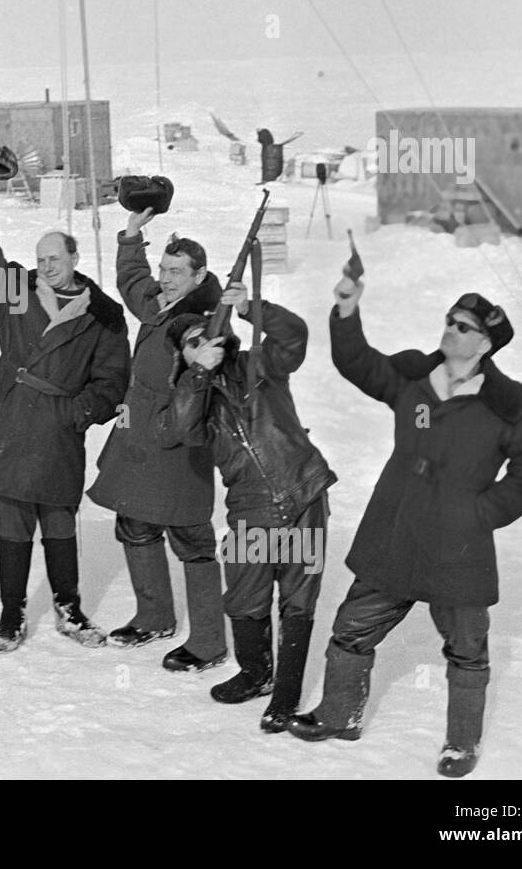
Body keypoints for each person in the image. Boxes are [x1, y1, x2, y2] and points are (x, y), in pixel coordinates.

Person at [289, 284, 522, 777]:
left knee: (467, 648)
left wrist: (478, 513)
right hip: (396, 532)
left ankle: (460, 745)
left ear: (485, 344)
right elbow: (359, 363)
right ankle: (338, 714)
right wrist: (346, 311)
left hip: (458, 547)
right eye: (449, 320)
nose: (450, 330)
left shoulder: (504, 402)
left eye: (463, 327)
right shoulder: (414, 377)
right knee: (351, 627)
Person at [0, 177, 130, 651]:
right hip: (10, 421)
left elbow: (111, 383)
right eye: (40, 258)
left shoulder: (103, 316)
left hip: (59, 430)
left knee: (60, 521)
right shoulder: (18, 291)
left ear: (75, 260)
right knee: (12, 522)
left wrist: (77, 412)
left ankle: (69, 609)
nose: (45, 267)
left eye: (55, 259)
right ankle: (12, 613)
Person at [157, 283, 336, 732]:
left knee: (297, 599)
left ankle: (286, 697)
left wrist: (250, 308)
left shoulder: (258, 365)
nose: (202, 345)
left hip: (303, 492)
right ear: (183, 356)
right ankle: (256, 674)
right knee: (245, 594)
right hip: (251, 507)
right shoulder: (189, 394)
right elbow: (176, 429)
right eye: (190, 344)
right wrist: (198, 376)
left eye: (205, 334)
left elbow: (294, 337)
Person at [87, 205, 228, 672]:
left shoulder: (194, 317)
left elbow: (196, 340)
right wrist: (131, 236)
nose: (166, 279)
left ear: (199, 274)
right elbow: (132, 280)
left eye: (176, 272)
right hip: (137, 437)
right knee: (134, 525)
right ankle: (154, 616)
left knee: (191, 538)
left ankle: (208, 643)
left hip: (176, 442)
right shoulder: (158, 301)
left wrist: (201, 352)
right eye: (164, 270)